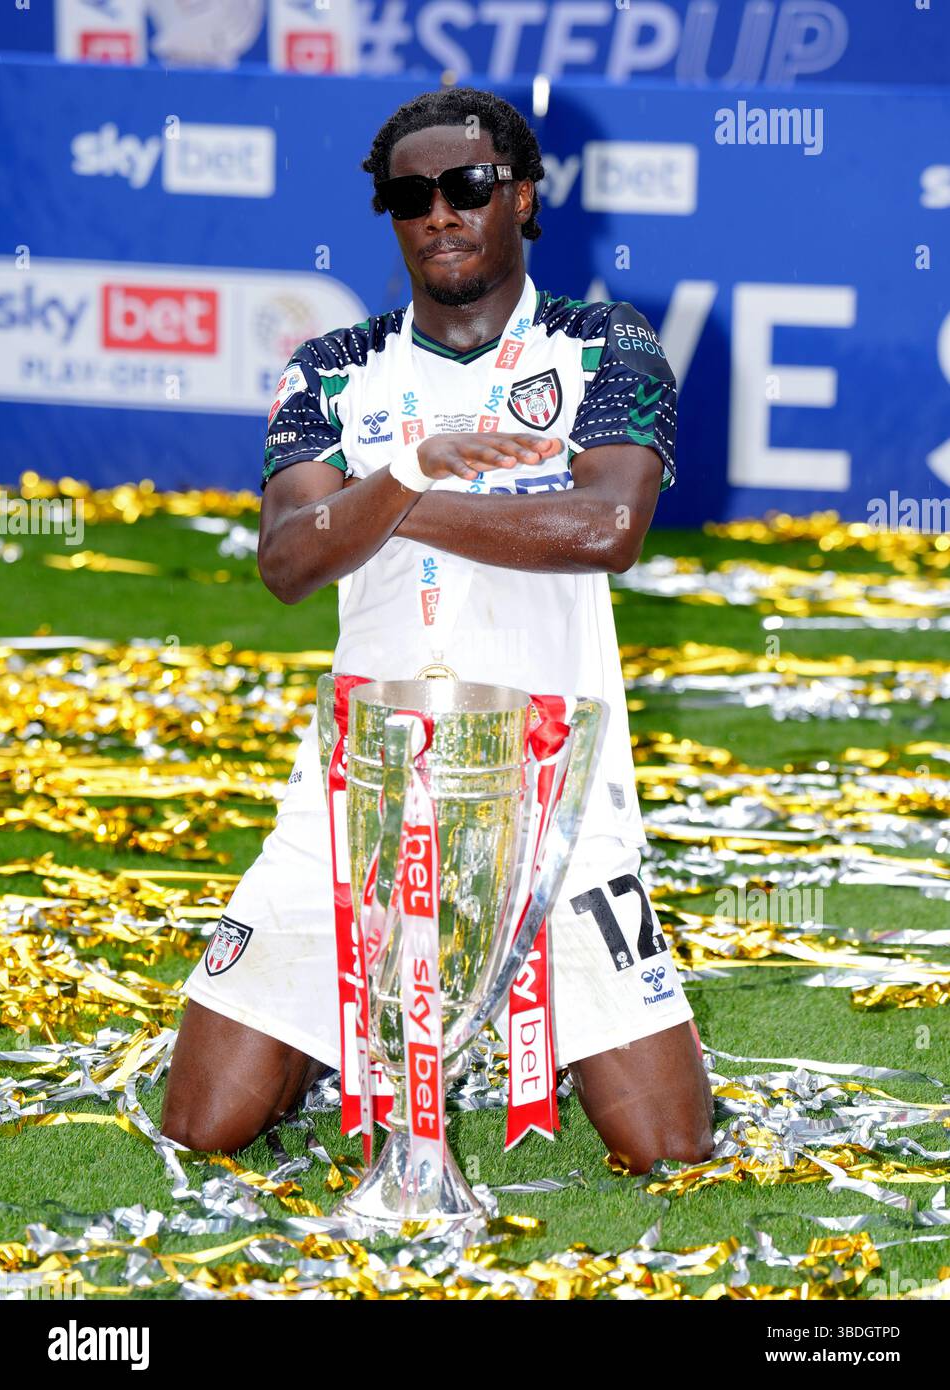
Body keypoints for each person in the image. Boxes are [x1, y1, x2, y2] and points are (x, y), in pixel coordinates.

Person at [161, 87, 714, 1174]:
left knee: (666, 1143)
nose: (440, 214)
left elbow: (607, 524)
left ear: (518, 195)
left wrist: (385, 496)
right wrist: (413, 464)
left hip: (558, 791)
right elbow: (286, 560)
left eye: (465, 187)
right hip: (356, 788)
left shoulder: (606, 342)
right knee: (204, 1122)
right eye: (410, 196)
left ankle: (500, 1010)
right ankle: (359, 1027)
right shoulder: (330, 367)